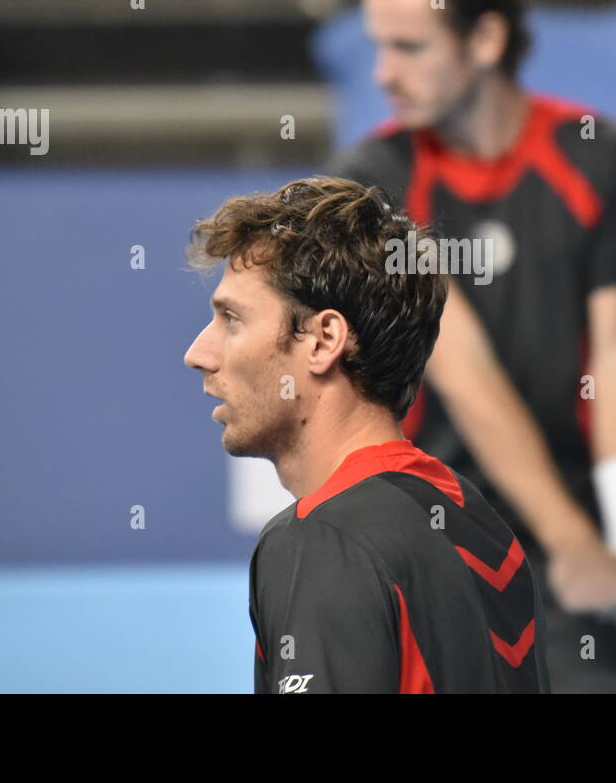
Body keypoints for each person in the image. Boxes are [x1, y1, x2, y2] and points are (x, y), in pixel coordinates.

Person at [327, 0, 616, 693]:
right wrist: (573, 545)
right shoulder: (373, 178)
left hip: (571, 511)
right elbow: (466, 374)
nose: (383, 73)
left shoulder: (604, 156)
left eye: (410, 47)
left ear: (486, 39)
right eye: (377, 46)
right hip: (426, 525)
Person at [183, 176, 551, 693]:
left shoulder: (319, 540)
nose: (199, 353)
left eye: (232, 319)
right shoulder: (478, 524)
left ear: (323, 340)